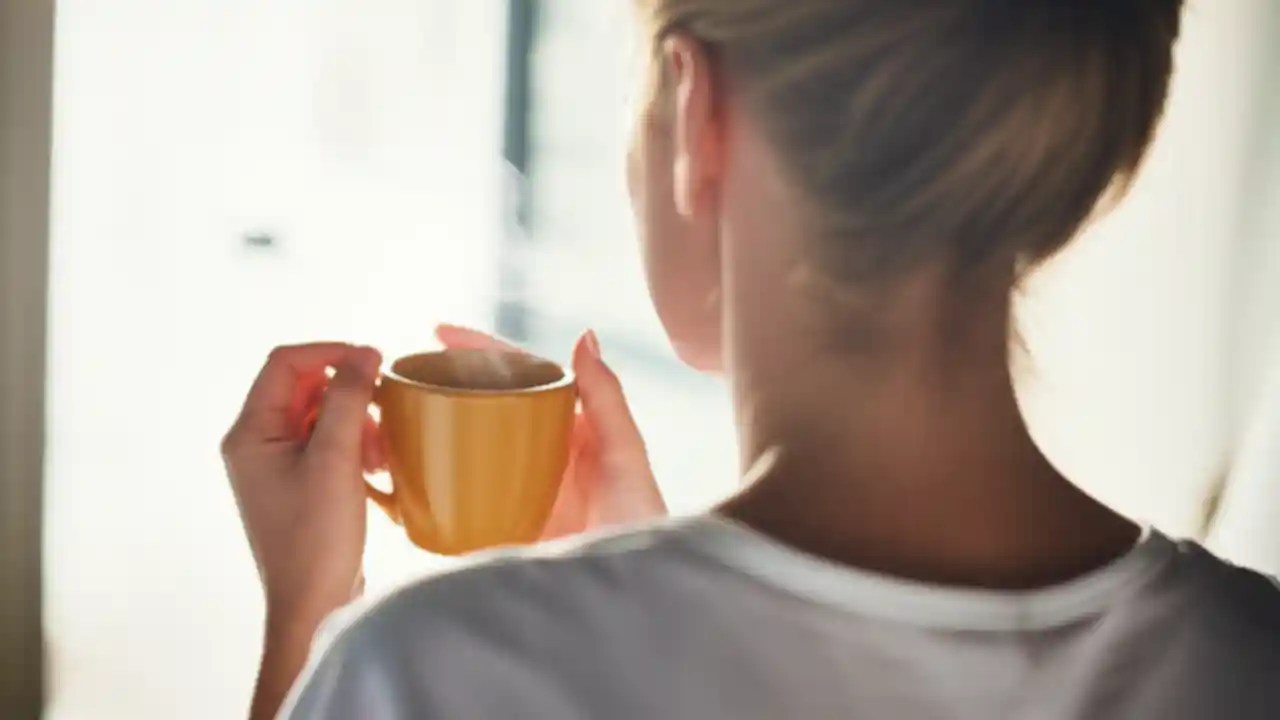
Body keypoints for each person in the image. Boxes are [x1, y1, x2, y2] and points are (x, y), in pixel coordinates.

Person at [222, 1, 1280, 717]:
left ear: (695, 114)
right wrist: (642, 576)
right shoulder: (1246, 656)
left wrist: (311, 625)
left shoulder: (436, 671)